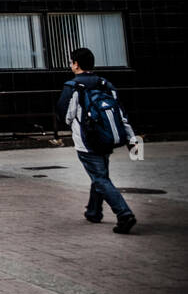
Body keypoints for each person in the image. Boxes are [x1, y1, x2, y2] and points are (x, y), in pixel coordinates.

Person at [57, 47, 138, 234]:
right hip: (107, 138)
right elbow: (121, 114)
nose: (71, 65)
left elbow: (65, 115)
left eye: (71, 62)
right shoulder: (105, 84)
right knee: (100, 175)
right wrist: (131, 139)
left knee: (100, 178)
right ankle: (94, 211)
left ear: (76, 64)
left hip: (86, 141)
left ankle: (124, 213)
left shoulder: (73, 86)